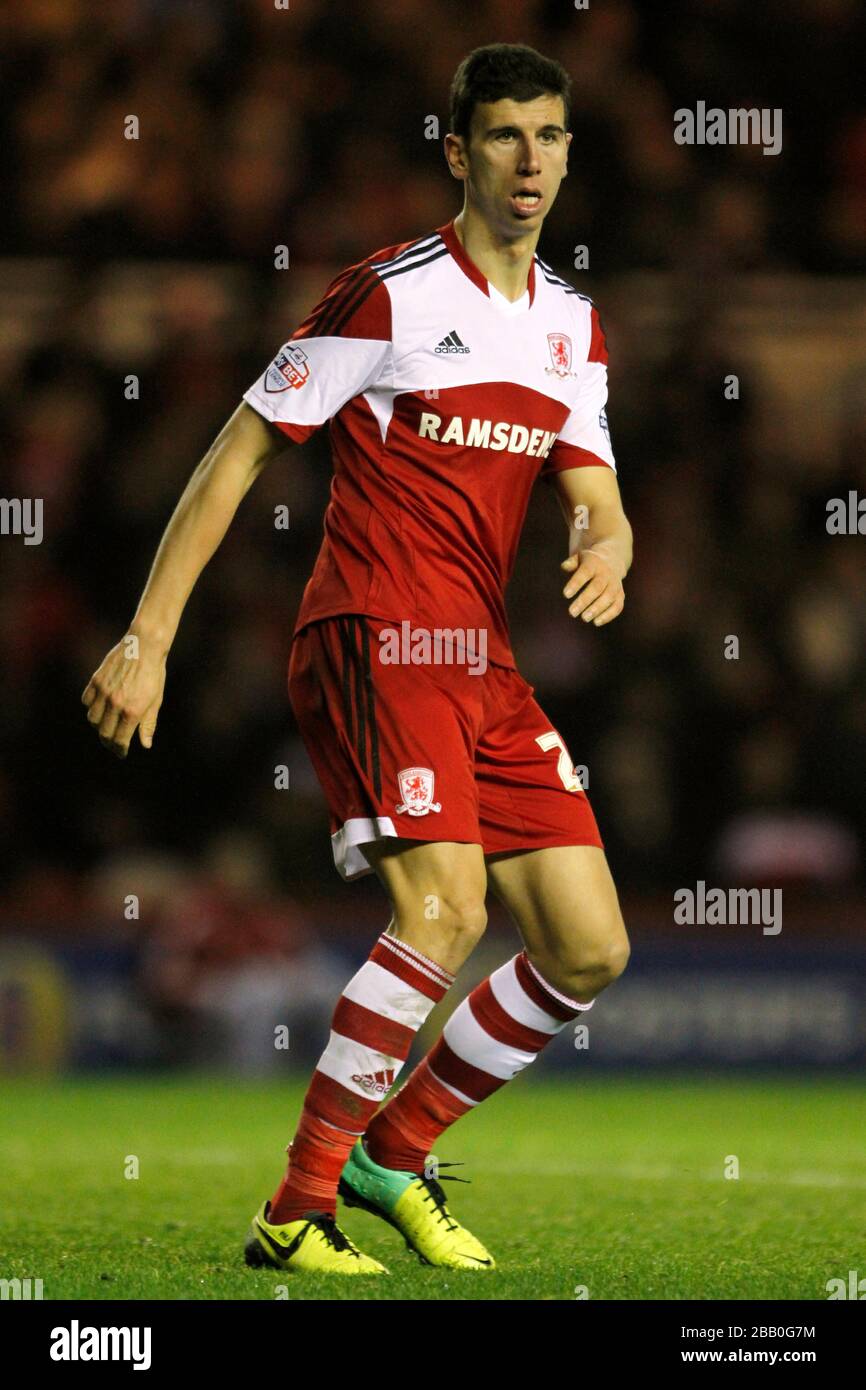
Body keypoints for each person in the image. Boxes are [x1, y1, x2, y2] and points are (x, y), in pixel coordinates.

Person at [82, 42, 633, 1276]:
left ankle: (395, 1151)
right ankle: (295, 1206)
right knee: (445, 910)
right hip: (374, 633)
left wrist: (609, 545)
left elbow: (596, 492)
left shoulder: (571, 328)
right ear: (457, 152)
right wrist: (150, 634)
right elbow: (239, 450)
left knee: (590, 945)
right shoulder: (385, 293)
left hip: (478, 661)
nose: (529, 159)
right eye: (503, 135)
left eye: (548, 135)